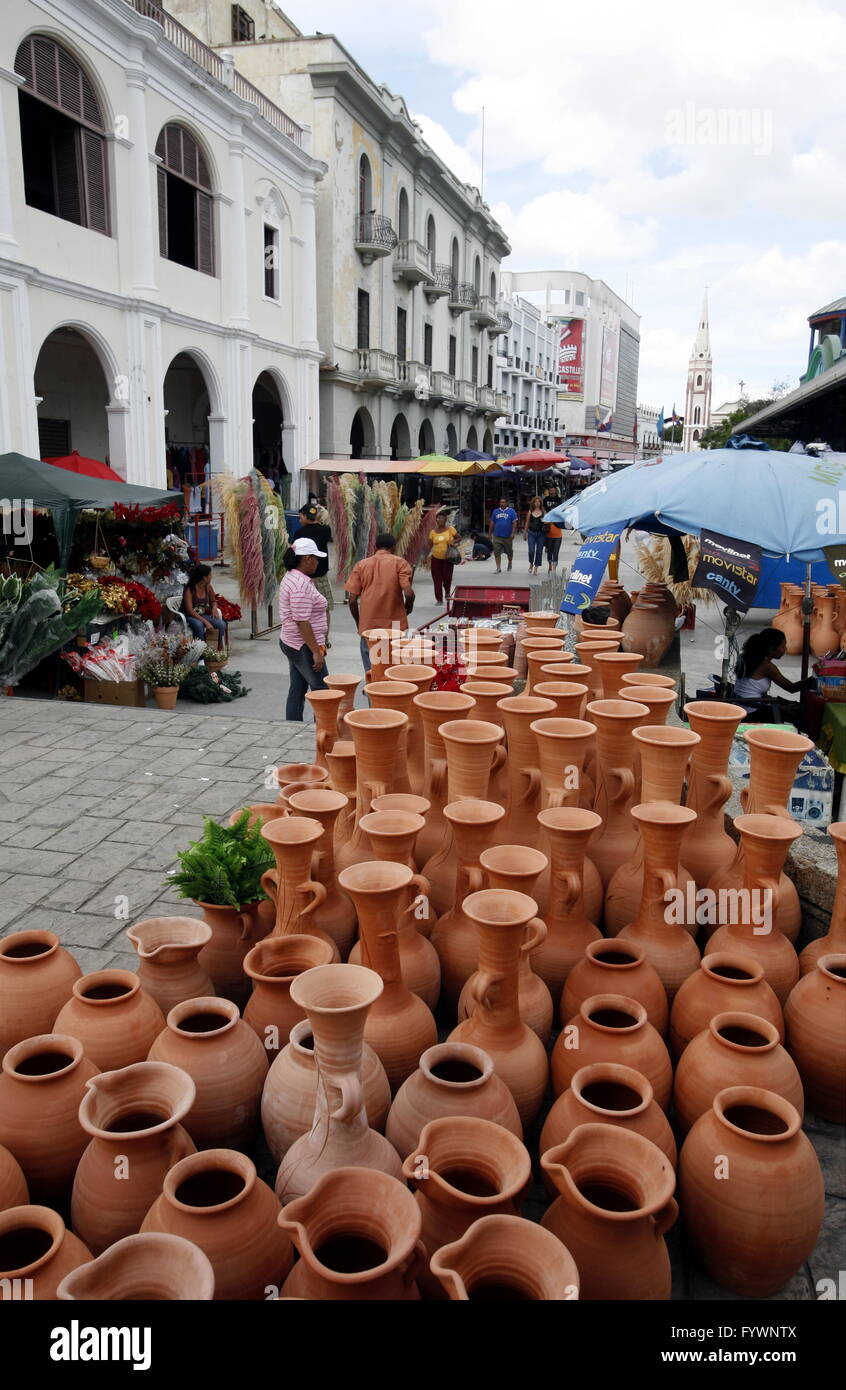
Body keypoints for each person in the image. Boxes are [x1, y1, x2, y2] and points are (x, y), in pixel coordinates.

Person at [347, 533, 415, 672]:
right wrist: (408, 606)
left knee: (372, 669)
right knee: (394, 667)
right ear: (394, 547)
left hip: (369, 625)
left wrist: (359, 622)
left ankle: (373, 691)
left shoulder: (362, 565)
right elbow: (408, 593)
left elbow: (352, 600)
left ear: (375, 547)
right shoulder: (400, 563)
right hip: (395, 625)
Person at [278, 537, 330, 720]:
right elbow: (302, 621)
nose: (318, 562)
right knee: (322, 690)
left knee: (298, 687)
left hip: (293, 642)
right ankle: (324, 730)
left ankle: (292, 726)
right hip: (303, 645)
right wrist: (315, 651)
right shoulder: (300, 585)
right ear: (307, 558)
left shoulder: (294, 577)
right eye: (315, 558)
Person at [733, 628, 813, 715]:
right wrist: (814, 678)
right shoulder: (766, 666)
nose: (785, 649)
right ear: (771, 649)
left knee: (793, 706)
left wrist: (782, 703)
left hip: (743, 706)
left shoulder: (749, 657)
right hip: (752, 711)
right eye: (782, 647)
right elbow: (791, 688)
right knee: (800, 712)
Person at [294, 504, 334, 610]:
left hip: (304, 577)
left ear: (306, 517)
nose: (299, 520)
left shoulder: (299, 533)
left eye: (301, 517)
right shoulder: (325, 530)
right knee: (325, 609)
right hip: (321, 575)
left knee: (306, 608)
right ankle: (324, 627)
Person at [182, 564, 226, 650]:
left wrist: (214, 608)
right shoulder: (190, 589)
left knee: (221, 624)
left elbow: (213, 601)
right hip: (191, 616)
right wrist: (206, 622)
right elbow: (190, 611)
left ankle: (216, 649)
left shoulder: (208, 587)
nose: (211, 577)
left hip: (202, 614)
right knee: (199, 625)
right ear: (204, 577)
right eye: (210, 575)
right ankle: (200, 654)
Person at [428, 507, 459, 605]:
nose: (439, 520)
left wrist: (453, 542)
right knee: (437, 579)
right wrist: (425, 555)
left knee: (447, 578)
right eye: (437, 518)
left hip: (448, 558)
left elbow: (459, 538)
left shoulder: (450, 529)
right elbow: (429, 545)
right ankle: (439, 599)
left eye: (441, 518)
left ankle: (447, 593)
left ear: (445, 519)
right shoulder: (432, 532)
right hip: (436, 558)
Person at [489, 496, 518, 574]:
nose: (502, 504)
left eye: (504, 502)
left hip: (507, 536)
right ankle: (498, 567)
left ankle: (510, 562)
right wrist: (489, 533)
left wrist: (513, 533)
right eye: (501, 502)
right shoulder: (495, 511)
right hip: (497, 535)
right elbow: (492, 523)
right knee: (496, 551)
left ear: (507, 503)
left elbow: (514, 523)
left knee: (509, 552)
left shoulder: (512, 511)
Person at [524, 496, 547, 576]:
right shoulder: (530, 511)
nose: (537, 503)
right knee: (531, 551)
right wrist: (525, 532)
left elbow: (547, 523)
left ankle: (536, 568)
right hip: (531, 533)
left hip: (541, 534)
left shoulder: (543, 512)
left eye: (538, 502)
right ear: (533, 503)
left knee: (539, 551)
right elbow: (527, 522)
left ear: (540, 503)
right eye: (535, 502)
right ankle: (531, 563)